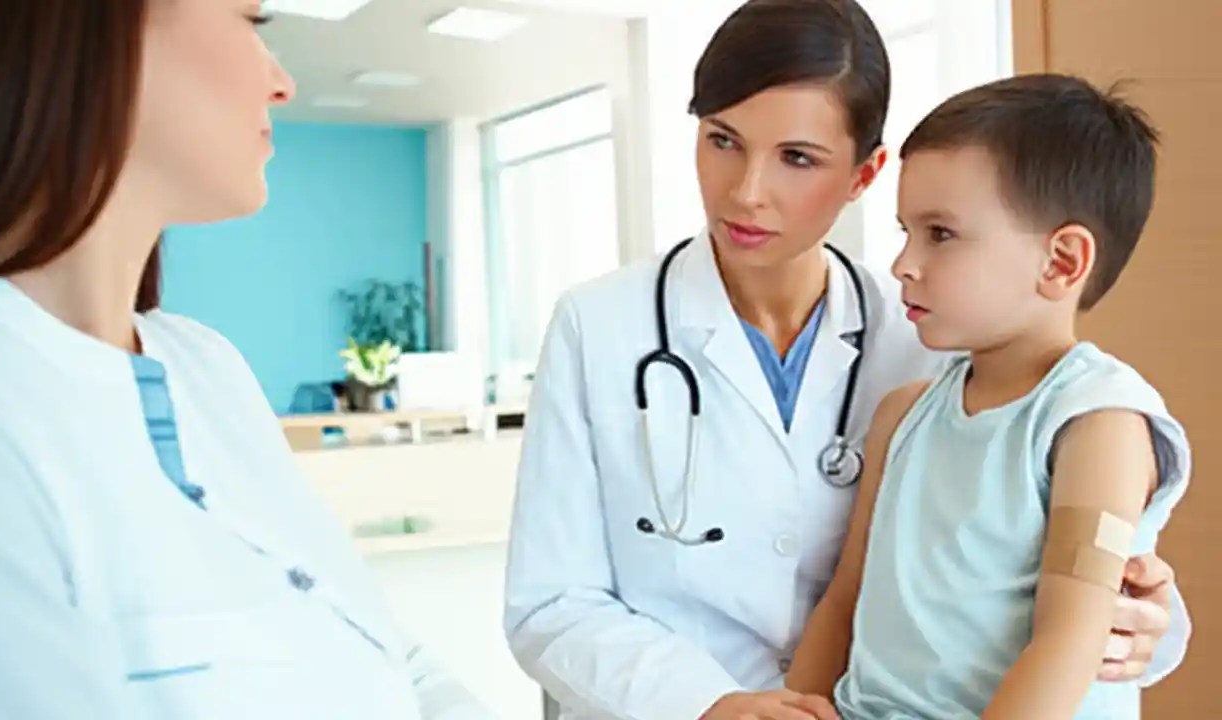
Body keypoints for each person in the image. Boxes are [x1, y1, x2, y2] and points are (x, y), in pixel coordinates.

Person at [501, 2, 1191, 719]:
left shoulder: (928, 337)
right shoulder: (601, 326)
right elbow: (550, 601)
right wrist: (713, 703)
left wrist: (1148, 624)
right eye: (722, 140)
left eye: (797, 157)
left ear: (864, 176)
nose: (746, 191)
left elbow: (1061, 592)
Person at [0, 2, 491, 718]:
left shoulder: (204, 365)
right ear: (93, 32)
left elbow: (374, 647)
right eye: (252, 21)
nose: (282, 82)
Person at [783, 74, 1191, 720]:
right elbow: (845, 599)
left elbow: (1071, 640)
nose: (903, 264)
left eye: (940, 234)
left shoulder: (1097, 425)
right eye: (905, 232)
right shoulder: (903, 419)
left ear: (1060, 262)